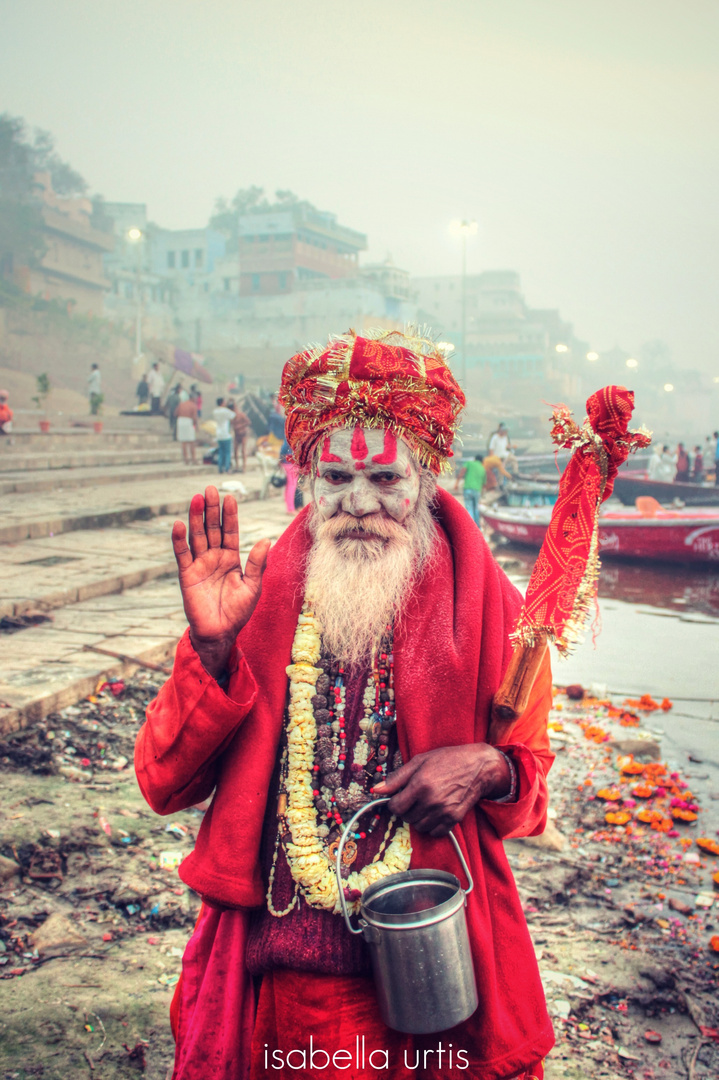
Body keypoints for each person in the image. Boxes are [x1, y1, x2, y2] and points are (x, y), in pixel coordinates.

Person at [135, 329, 555, 1080]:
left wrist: (489, 767)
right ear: (307, 482)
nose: (359, 503)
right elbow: (163, 784)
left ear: (426, 480)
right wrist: (213, 655)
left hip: (437, 951)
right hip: (284, 961)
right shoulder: (252, 594)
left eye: (385, 480)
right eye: (335, 479)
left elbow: (526, 804)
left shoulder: (494, 608)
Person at [455, 453, 486, 527]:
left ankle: (470, 526)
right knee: (476, 509)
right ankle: (477, 527)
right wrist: (482, 495)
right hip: (477, 491)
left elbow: (462, 472)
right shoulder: (483, 469)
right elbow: (484, 484)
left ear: (475, 459)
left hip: (468, 489)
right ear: (482, 461)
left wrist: (457, 483)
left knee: (469, 508)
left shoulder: (469, 463)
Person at [228, 398, 251, 473]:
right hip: (236, 435)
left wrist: (240, 426)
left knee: (243, 451)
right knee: (235, 451)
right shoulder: (231, 416)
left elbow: (248, 422)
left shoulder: (241, 415)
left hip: (243, 434)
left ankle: (244, 467)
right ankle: (237, 466)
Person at [213, 396, 235, 475]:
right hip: (226, 434)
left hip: (219, 434)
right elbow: (233, 415)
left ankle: (220, 469)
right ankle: (227, 468)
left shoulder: (215, 411)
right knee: (228, 453)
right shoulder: (226, 411)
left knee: (221, 452)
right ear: (222, 402)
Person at [175, 396, 198, 464]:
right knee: (191, 441)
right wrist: (195, 426)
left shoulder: (181, 404)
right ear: (193, 398)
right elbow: (194, 417)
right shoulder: (193, 405)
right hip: (188, 421)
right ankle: (193, 458)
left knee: (183, 442)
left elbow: (175, 413)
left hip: (180, 421)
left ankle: (186, 459)